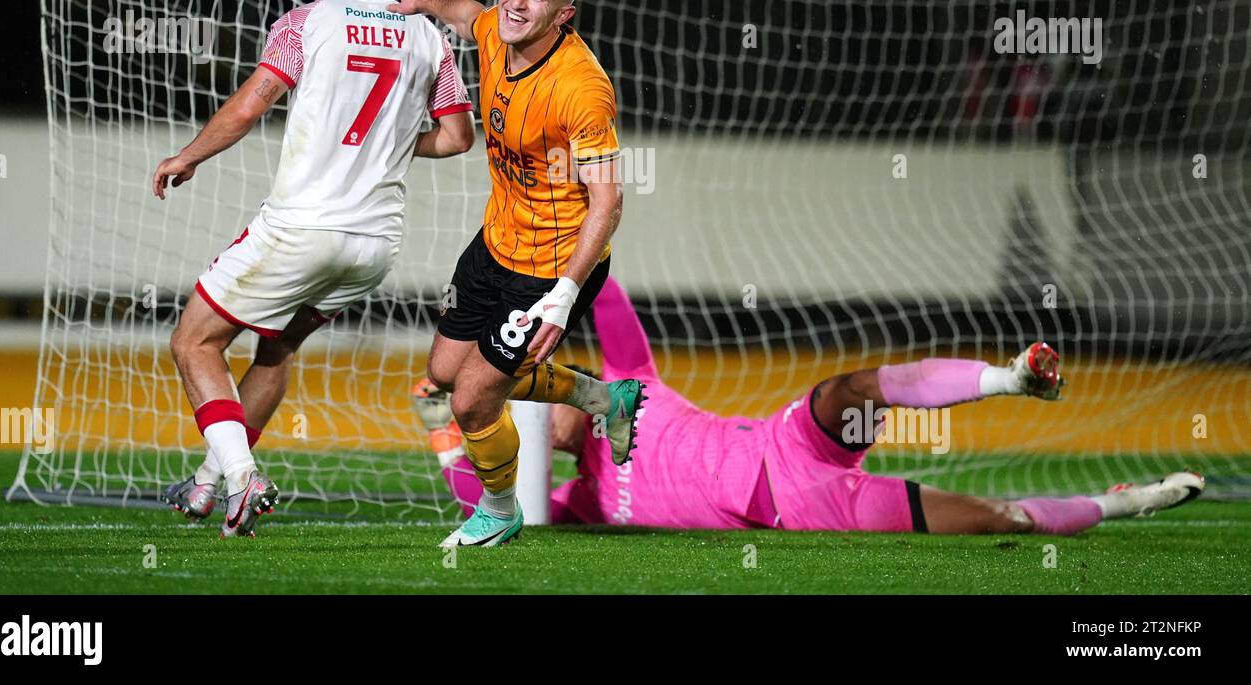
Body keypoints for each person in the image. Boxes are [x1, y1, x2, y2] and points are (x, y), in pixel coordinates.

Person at [153, 0, 475, 537]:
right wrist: (386, 142)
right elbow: (459, 137)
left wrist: (188, 156)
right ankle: (209, 483)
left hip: (303, 229)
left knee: (194, 342)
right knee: (277, 345)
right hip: (373, 246)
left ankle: (245, 478)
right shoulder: (428, 36)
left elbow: (250, 107)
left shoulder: (306, 23)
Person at [414, 277, 1205, 534]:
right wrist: (444, 425)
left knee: (849, 389)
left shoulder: (631, 383)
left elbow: (607, 298)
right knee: (1000, 522)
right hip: (815, 510)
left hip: (790, 446)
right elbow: (480, 494)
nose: (542, 420)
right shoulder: (575, 499)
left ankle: (1011, 378)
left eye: (539, 401)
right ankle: (1117, 501)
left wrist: (547, 263)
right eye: (529, 420)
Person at [388, 0, 643, 547]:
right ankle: (604, 399)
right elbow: (468, 11)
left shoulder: (582, 90)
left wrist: (563, 295)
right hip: (495, 244)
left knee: (473, 403)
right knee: (444, 373)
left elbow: (607, 203)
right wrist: (426, 2)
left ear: (563, 15)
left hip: (550, 271)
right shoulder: (497, 29)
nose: (516, 2)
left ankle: (499, 510)